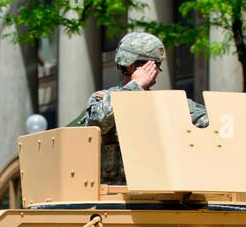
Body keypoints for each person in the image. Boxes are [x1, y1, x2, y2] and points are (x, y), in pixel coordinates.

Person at [85, 31, 208, 185]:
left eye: (158, 66)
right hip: (116, 191)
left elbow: (206, 120)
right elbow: (98, 121)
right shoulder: (103, 98)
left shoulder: (165, 102)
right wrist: (134, 86)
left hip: (159, 188)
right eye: (150, 65)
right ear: (130, 65)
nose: (155, 71)